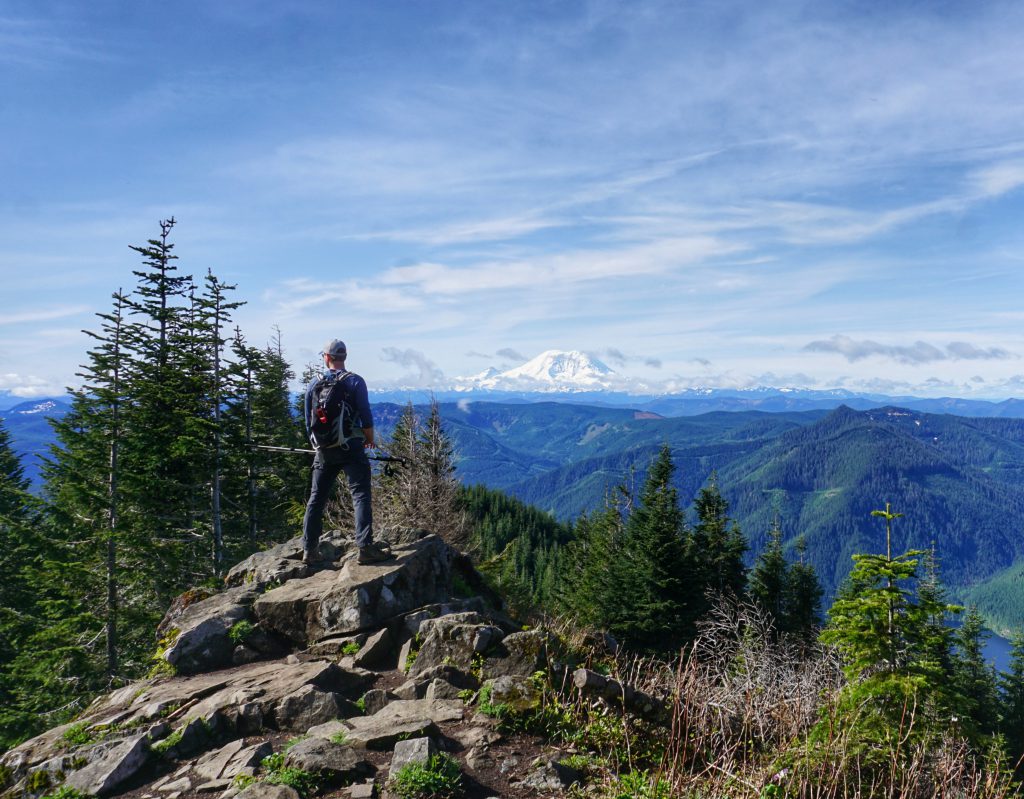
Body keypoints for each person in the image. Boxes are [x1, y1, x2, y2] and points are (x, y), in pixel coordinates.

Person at [302, 339, 394, 565]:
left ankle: (309, 550)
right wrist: (369, 439)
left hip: (324, 449)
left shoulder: (315, 383)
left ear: (326, 357)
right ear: (344, 356)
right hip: (351, 446)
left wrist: (318, 445)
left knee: (316, 499)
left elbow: (307, 421)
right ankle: (364, 547)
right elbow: (365, 414)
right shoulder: (354, 381)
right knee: (360, 495)